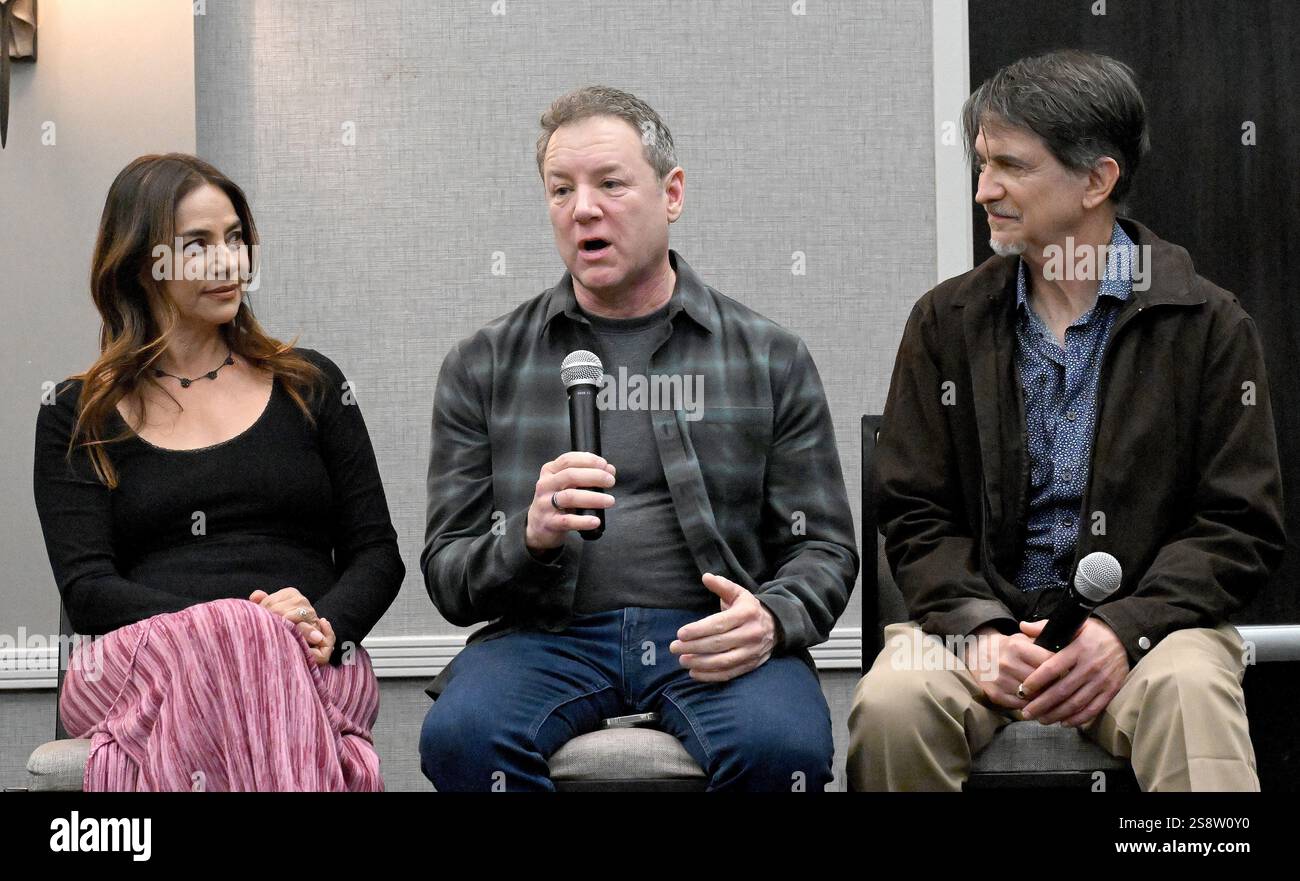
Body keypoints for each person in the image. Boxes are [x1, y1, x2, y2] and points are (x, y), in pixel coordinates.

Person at [847, 50, 1285, 792]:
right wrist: (977, 628)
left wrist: (1125, 628)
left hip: (1155, 634)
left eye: (1012, 166)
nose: (985, 190)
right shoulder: (943, 322)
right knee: (893, 701)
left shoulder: (1209, 323)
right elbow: (914, 514)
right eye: (981, 164)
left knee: (1194, 695)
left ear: (1097, 180)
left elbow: (1238, 526)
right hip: (977, 632)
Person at [418, 86, 858, 791]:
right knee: (463, 736)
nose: (582, 208)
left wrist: (771, 618)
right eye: (560, 189)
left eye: (610, 184)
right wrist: (526, 539)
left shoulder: (768, 356)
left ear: (671, 192)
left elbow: (825, 547)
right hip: (546, 640)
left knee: (782, 748)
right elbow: (447, 571)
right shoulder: (484, 363)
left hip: (708, 634)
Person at [33, 153, 404, 791]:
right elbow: (88, 589)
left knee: (254, 658)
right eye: (198, 245)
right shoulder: (78, 412)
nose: (229, 261)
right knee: (240, 639)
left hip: (309, 651)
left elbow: (377, 555)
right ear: (141, 262)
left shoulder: (310, 385)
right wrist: (238, 621)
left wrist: (324, 626)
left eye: (235, 239)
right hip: (143, 660)